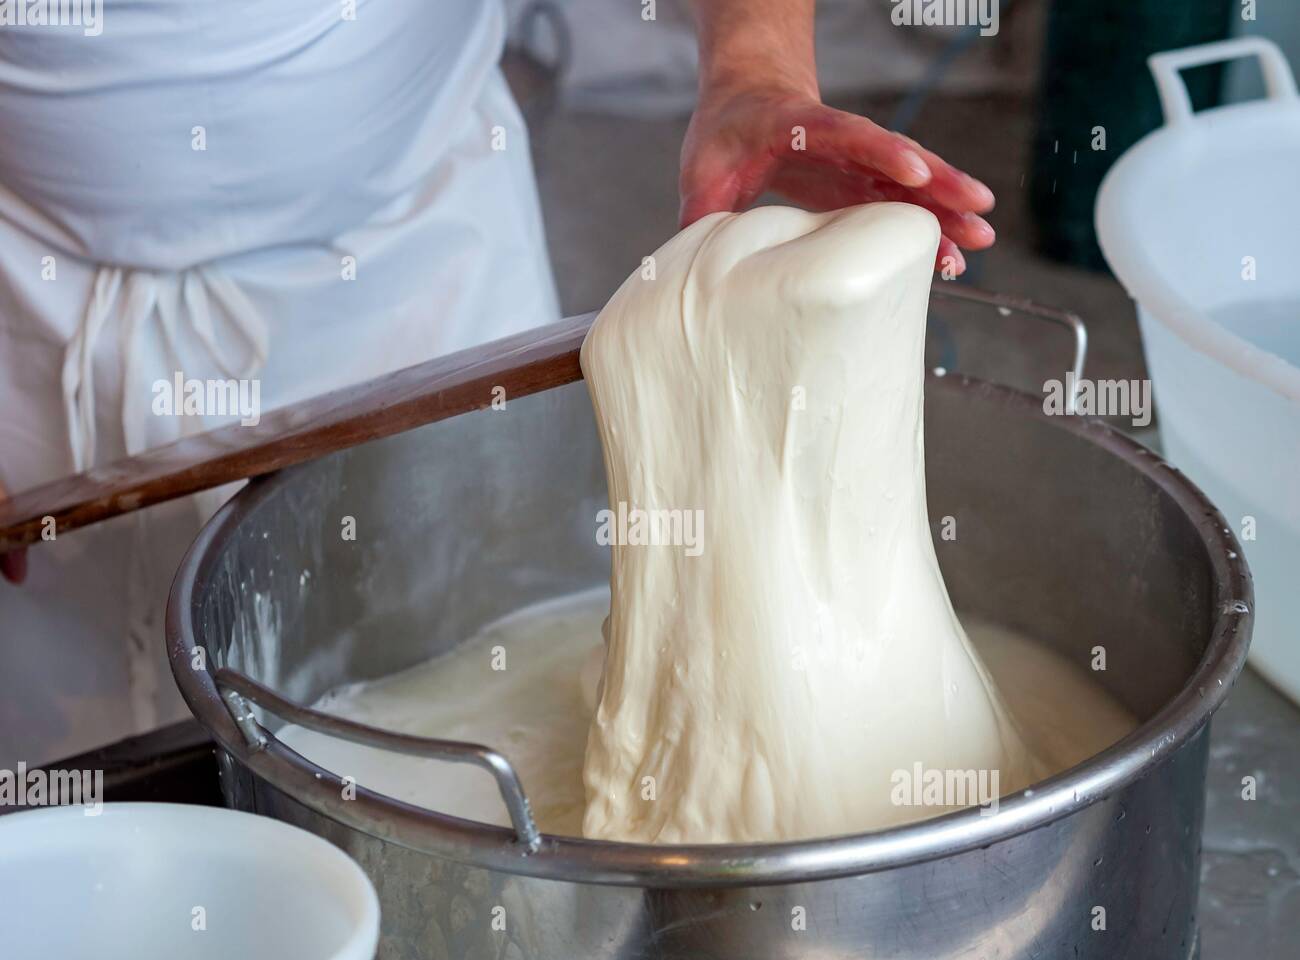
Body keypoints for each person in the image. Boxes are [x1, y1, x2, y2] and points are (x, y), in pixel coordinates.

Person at [0, 0, 994, 766]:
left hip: (408, 267)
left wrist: (754, 69)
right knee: (62, 768)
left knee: (456, 697)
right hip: (24, 295)